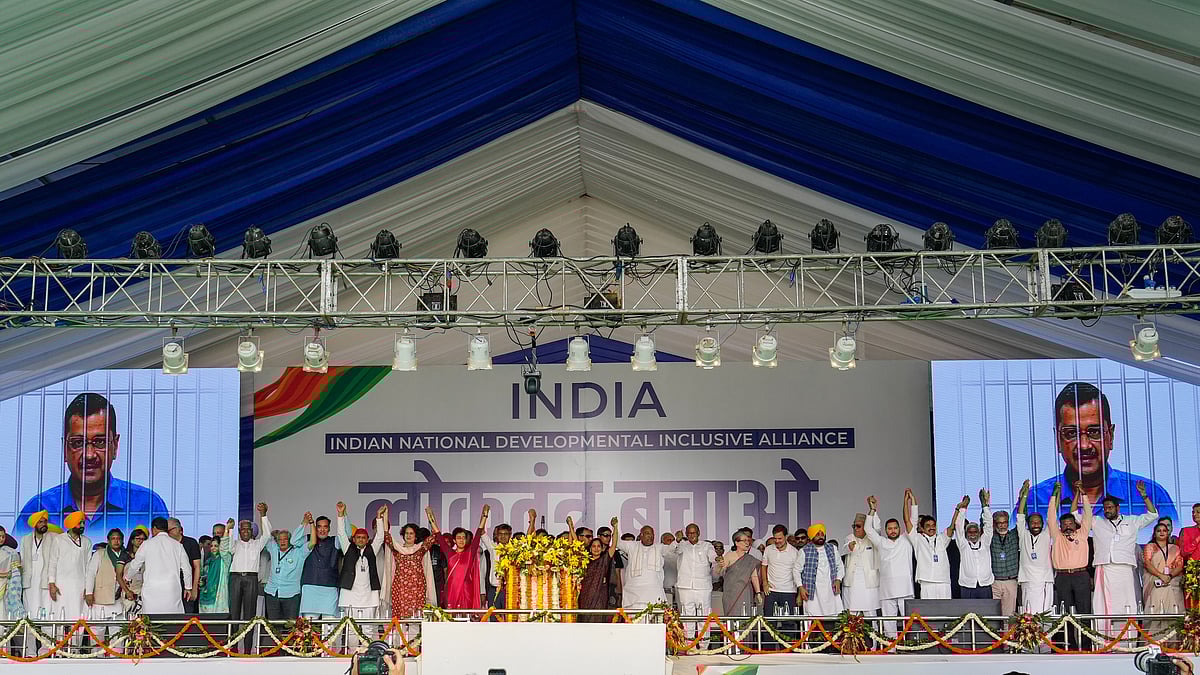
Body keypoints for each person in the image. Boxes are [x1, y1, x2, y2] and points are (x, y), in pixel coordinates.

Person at [15, 393, 170, 541]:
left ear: (115, 446)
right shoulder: (38, 508)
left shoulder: (147, 505)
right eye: (77, 443)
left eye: (100, 442)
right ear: (64, 449)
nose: (89, 455)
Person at [1029, 383, 1175, 524]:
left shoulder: (1153, 496)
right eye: (1072, 433)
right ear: (1058, 439)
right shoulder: (1034, 500)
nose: (1084, 445)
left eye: (1094, 432)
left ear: (1110, 436)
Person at [1092, 481, 1159, 636]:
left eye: (1110, 507)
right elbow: (1076, 515)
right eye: (1105, 508)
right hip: (1106, 566)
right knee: (1104, 605)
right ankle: (1106, 638)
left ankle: (1128, 637)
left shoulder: (1131, 521)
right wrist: (1080, 494)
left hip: (1125, 567)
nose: (1107, 510)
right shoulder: (1097, 522)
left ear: (1117, 508)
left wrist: (1144, 495)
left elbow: (1152, 515)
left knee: (1127, 602)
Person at [337, 501, 387, 645]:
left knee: (369, 629)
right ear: (354, 539)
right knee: (351, 629)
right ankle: (352, 653)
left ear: (367, 539)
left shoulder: (372, 549)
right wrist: (340, 514)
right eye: (358, 537)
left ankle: (369, 653)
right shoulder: (348, 549)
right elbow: (341, 534)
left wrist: (379, 517)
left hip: (368, 595)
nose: (361, 539)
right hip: (350, 594)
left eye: (363, 537)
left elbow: (380, 537)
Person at [865, 495, 913, 637]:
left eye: (895, 528)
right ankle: (890, 648)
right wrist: (872, 510)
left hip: (905, 589)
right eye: (890, 528)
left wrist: (907, 502)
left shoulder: (906, 540)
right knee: (888, 622)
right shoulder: (881, 542)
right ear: (886, 530)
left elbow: (911, 521)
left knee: (908, 621)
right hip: (887, 591)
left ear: (900, 529)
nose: (893, 531)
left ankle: (908, 646)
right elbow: (868, 529)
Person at [427, 504, 489, 610]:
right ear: (454, 540)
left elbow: (478, 534)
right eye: (458, 538)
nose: (461, 540)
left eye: (463, 538)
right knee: (452, 618)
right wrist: (431, 519)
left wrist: (484, 516)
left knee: (466, 618)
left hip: (467, 591)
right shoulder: (450, 553)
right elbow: (438, 535)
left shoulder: (470, 553)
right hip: (452, 590)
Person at [124, 517, 191, 614]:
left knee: (152, 621)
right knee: (173, 620)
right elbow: (187, 568)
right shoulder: (177, 545)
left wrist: (128, 577)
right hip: (171, 589)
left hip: (152, 589)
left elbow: (136, 564)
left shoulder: (147, 544)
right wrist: (188, 587)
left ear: (154, 529)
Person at [224, 503, 269, 639]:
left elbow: (267, 535)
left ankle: (248, 650)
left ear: (252, 531)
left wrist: (263, 515)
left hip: (251, 579)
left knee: (250, 615)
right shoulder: (235, 544)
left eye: (248, 530)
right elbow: (226, 546)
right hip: (236, 578)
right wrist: (229, 530)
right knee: (234, 614)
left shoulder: (257, 544)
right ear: (239, 531)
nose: (245, 532)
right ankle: (232, 648)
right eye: (243, 530)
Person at [671, 523, 719, 644]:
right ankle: (689, 645)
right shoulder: (682, 545)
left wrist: (717, 559)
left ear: (698, 533)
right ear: (686, 534)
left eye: (694, 532)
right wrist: (677, 539)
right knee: (688, 617)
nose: (692, 535)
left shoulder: (706, 545)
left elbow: (712, 556)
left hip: (703, 586)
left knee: (704, 616)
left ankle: (704, 645)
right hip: (685, 586)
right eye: (689, 533)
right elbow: (674, 550)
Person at [381, 520, 435, 619]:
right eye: (406, 533)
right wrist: (385, 516)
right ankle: (399, 635)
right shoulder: (397, 549)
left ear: (416, 536)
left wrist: (431, 519)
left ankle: (415, 635)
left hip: (417, 588)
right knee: (400, 620)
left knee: (416, 618)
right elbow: (387, 536)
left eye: (411, 533)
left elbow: (434, 536)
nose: (408, 535)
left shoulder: (420, 549)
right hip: (400, 588)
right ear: (403, 534)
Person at [906, 489, 953, 599]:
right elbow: (908, 521)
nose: (931, 527)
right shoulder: (918, 539)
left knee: (946, 613)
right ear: (922, 528)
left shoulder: (941, 538)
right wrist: (910, 500)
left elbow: (952, 527)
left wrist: (958, 509)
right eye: (928, 525)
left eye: (933, 525)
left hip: (943, 581)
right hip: (927, 581)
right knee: (928, 613)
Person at [1015, 480, 1053, 613]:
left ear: (1042, 524)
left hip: (1044, 580)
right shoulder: (1023, 534)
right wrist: (1024, 496)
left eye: (1038, 522)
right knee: (1027, 614)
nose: (1035, 525)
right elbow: (1020, 516)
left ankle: (1045, 635)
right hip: (1027, 580)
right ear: (1028, 524)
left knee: (1045, 614)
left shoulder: (1047, 534)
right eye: (1032, 522)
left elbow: (1052, 515)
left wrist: (1055, 495)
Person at [48, 511, 92, 624]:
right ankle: (58, 642)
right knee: (59, 615)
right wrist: (51, 583)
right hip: (61, 586)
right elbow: (52, 563)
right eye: (79, 523)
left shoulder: (87, 542)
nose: (82, 526)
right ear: (72, 524)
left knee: (78, 616)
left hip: (79, 586)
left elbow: (88, 567)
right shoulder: (59, 540)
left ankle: (75, 642)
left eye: (83, 523)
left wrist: (88, 587)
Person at [618, 525, 675, 612]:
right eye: (648, 533)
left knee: (654, 620)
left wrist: (677, 540)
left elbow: (671, 549)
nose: (651, 536)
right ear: (641, 535)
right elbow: (618, 543)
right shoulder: (632, 546)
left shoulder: (659, 547)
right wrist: (615, 527)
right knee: (635, 620)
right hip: (634, 591)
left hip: (654, 591)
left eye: (652, 534)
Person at [263, 515, 310, 621]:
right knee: (274, 626)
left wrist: (305, 523)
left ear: (290, 540)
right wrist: (263, 515)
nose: (282, 541)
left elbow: (312, 543)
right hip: (272, 593)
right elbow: (266, 535)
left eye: (285, 539)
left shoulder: (299, 552)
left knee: (291, 626)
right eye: (280, 539)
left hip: (291, 595)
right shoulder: (273, 547)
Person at [1142, 521, 1185, 634]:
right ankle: (1153, 640)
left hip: (1172, 582)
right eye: (1158, 531)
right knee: (1155, 610)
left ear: (1168, 533)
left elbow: (1180, 565)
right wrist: (1161, 576)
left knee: (1173, 611)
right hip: (1154, 582)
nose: (1161, 532)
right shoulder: (1150, 546)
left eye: (1164, 530)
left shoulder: (1175, 548)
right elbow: (1147, 563)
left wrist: (1169, 576)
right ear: (1154, 533)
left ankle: (1172, 643)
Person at [300, 510, 342, 620]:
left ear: (329, 529)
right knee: (308, 627)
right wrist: (306, 523)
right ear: (315, 527)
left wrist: (341, 515)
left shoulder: (335, 541)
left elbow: (346, 534)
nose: (322, 530)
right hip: (310, 586)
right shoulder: (307, 539)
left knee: (330, 627)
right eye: (319, 526)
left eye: (325, 527)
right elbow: (294, 541)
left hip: (330, 588)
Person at [794, 523, 843, 616]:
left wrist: (838, 580)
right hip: (813, 592)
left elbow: (840, 566)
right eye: (817, 534)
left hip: (831, 591)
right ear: (812, 536)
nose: (821, 536)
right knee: (813, 618)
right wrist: (801, 587)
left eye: (822, 534)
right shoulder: (804, 551)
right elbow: (796, 570)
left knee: (833, 618)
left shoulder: (832, 548)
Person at [953, 491, 994, 600]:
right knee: (967, 615)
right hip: (967, 587)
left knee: (987, 615)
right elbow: (958, 527)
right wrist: (963, 509)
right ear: (966, 534)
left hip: (985, 586)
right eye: (970, 532)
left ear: (979, 533)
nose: (973, 534)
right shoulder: (963, 545)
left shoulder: (985, 542)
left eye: (975, 531)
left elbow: (989, 525)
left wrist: (985, 505)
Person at [85, 528, 132, 621]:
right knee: (98, 632)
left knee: (117, 631)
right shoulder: (99, 554)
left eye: (118, 539)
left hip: (119, 600)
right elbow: (91, 574)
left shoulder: (127, 555)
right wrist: (89, 593)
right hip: (101, 599)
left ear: (122, 541)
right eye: (113, 539)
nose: (116, 541)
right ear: (108, 541)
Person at [578, 517, 619, 622]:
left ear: (601, 548)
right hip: (585, 595)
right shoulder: (584, 560)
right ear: (590, 548)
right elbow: (575, 542)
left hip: (600, 595)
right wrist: (571, 527)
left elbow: (613, 544)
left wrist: (615, 527)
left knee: (598, 620)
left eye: (598, 546)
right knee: (584, 620)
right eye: (594, 546)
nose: (596, 548)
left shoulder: (604, 560)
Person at [840, 513, 880, 616]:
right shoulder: (849, 537)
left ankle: (874, 632)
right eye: (854, 526)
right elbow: (844, 549)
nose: (855, 529)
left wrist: (873, 511)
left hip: (869, 582)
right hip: (852, 582)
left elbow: (877, 527)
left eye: (858, 526)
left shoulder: (872, 538)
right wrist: (849, 546)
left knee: (871, 614)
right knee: (852, 615)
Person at [20, 510, 56, 619]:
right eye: (40, 522)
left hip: (46, 582)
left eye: (45, 521)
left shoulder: (54, 538)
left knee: (47, 612)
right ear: (35, 524)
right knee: (30, 612)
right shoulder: (25, 539)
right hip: (29, 581)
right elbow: (22, 560)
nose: (44, 524)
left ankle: (46, 636)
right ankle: (30, 636)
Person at [716, 531, 762, 616]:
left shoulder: (750, 559)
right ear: (736, 542)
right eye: (744, 540)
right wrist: (720, 565)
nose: (747, 543)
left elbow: (754, 576)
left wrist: (758, 593)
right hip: (731, 592)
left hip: (745, 591)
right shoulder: (730, 555)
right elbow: (719, 571)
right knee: (732, 617)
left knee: (745, 615)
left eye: (748, 540)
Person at [990, 505, 1020, 616]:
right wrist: (985, 504)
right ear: (995, 524)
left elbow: (1021, 518)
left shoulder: (1014, 535)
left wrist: (1023, 498)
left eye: (1005, 522)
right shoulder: (990, 537)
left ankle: (1007, 634)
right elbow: (985, 524)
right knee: (994, 614)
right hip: (995, 581)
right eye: (999, 523)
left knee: (1009, 614)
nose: (1002, 525)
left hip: (1011, 581)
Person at [167, 518, 201, 613]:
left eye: (170, 530)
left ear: (180, 529)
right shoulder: (167, 545)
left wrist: (194, 588)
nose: (168, 533)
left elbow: (197, 566)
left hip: (187, 585)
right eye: (167, 531)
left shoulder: (191, 543)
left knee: (187, 614)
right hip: (171, 586)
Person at [199, 536, 231, 614]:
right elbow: (204, 577)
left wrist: (227, 529)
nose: (213, 548)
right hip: (206, 594)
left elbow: (225, 550)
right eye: (211, 546)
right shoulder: (208, 561)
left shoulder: (224, 560)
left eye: (216, 546)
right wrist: (201, 583)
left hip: (219, 593)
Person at [0, 533, 25, 620]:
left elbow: (16, 572)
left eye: (3, 537)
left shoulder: (10, 552)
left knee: (3, 612)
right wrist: (4, 574)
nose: (1, 539)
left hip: (5, 587)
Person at [661, 531, 678, 608]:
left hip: (679, 588)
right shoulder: (660, 553)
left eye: (673, 540)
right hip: (666, 588)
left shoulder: (679, 553)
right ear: (662, 542)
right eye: (669, 540)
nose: (672, 542)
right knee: (667, 612)